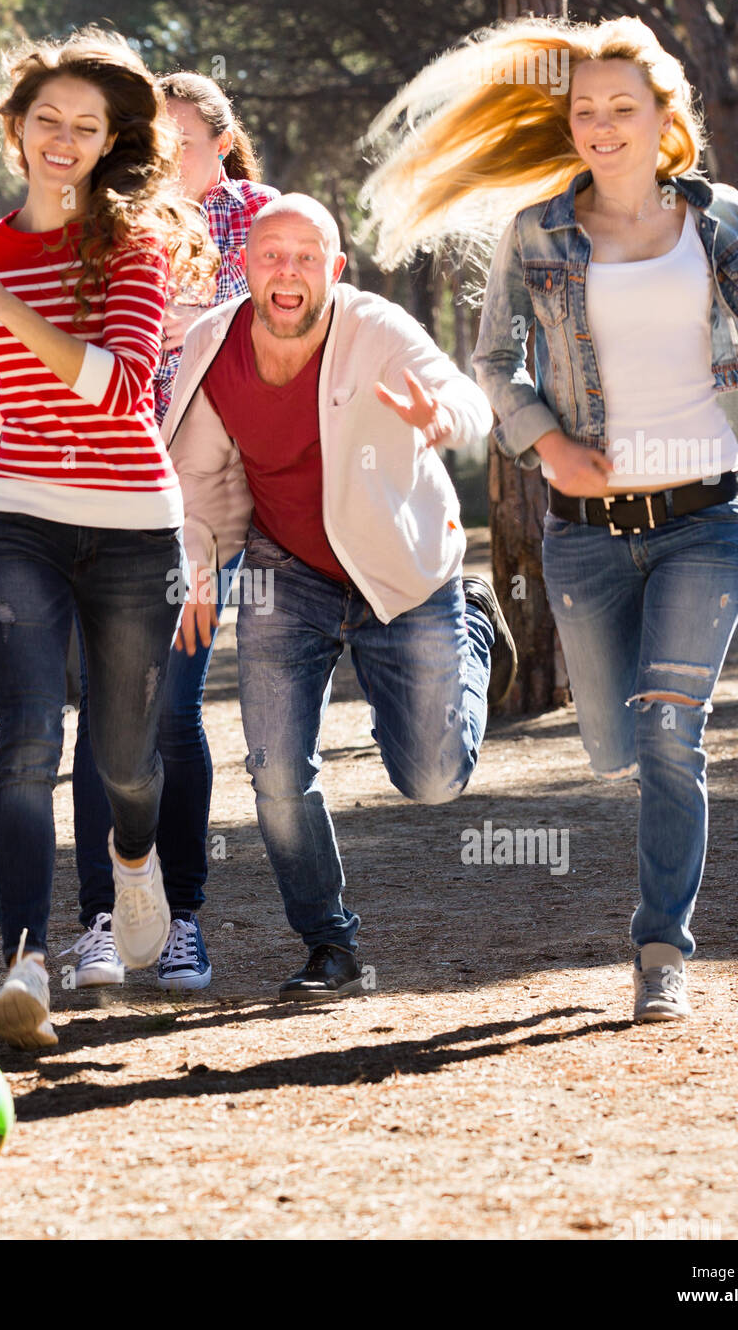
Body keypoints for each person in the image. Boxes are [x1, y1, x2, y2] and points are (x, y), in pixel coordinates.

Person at [361, 15, 738, 1022]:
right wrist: (550, 446)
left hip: (708, 518)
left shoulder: (717, 219)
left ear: (664, 116)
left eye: (623, 107)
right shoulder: (538, 233)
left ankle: (661, 946)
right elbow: (495, 364)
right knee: (613, 748)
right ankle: (527, 668)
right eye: (586, 110)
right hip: (584, 531)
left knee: (671, 737)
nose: (602, 125)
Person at [0, 27, 217, 1048]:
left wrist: (4, 301)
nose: (62, 139)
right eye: (45, 120)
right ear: (16, 131)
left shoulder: (131, 244)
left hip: (135, 527)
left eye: (83, 127)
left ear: (107, 143)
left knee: (127, 761)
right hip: (21, 522)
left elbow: (118, 386)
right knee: (26, 740)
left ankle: (136, 865)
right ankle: (26, 965)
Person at [164, 194, 516, 1002]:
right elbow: (198, 477)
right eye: (269, 254)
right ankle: (330, 945)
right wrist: (198, 565)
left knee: (431, 778)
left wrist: (444, 418)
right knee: (278, 772)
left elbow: (461, 396)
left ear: (333, 269)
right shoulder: (212, 345)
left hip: (404, 572)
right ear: (245, 264)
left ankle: (475, 631)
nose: (286, 271)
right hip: (288, 575)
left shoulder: (377, 329)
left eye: (304, 256)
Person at [66, 72, 279, 991]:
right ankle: (103, 919)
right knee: (103, 715)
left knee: (173, 706)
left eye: (183, 142)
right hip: (100, 494)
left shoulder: (264, 222)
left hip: (201, 502)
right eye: (151, 143)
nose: (165, 160)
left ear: (223, 145)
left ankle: (181, 915)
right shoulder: (106, 225)